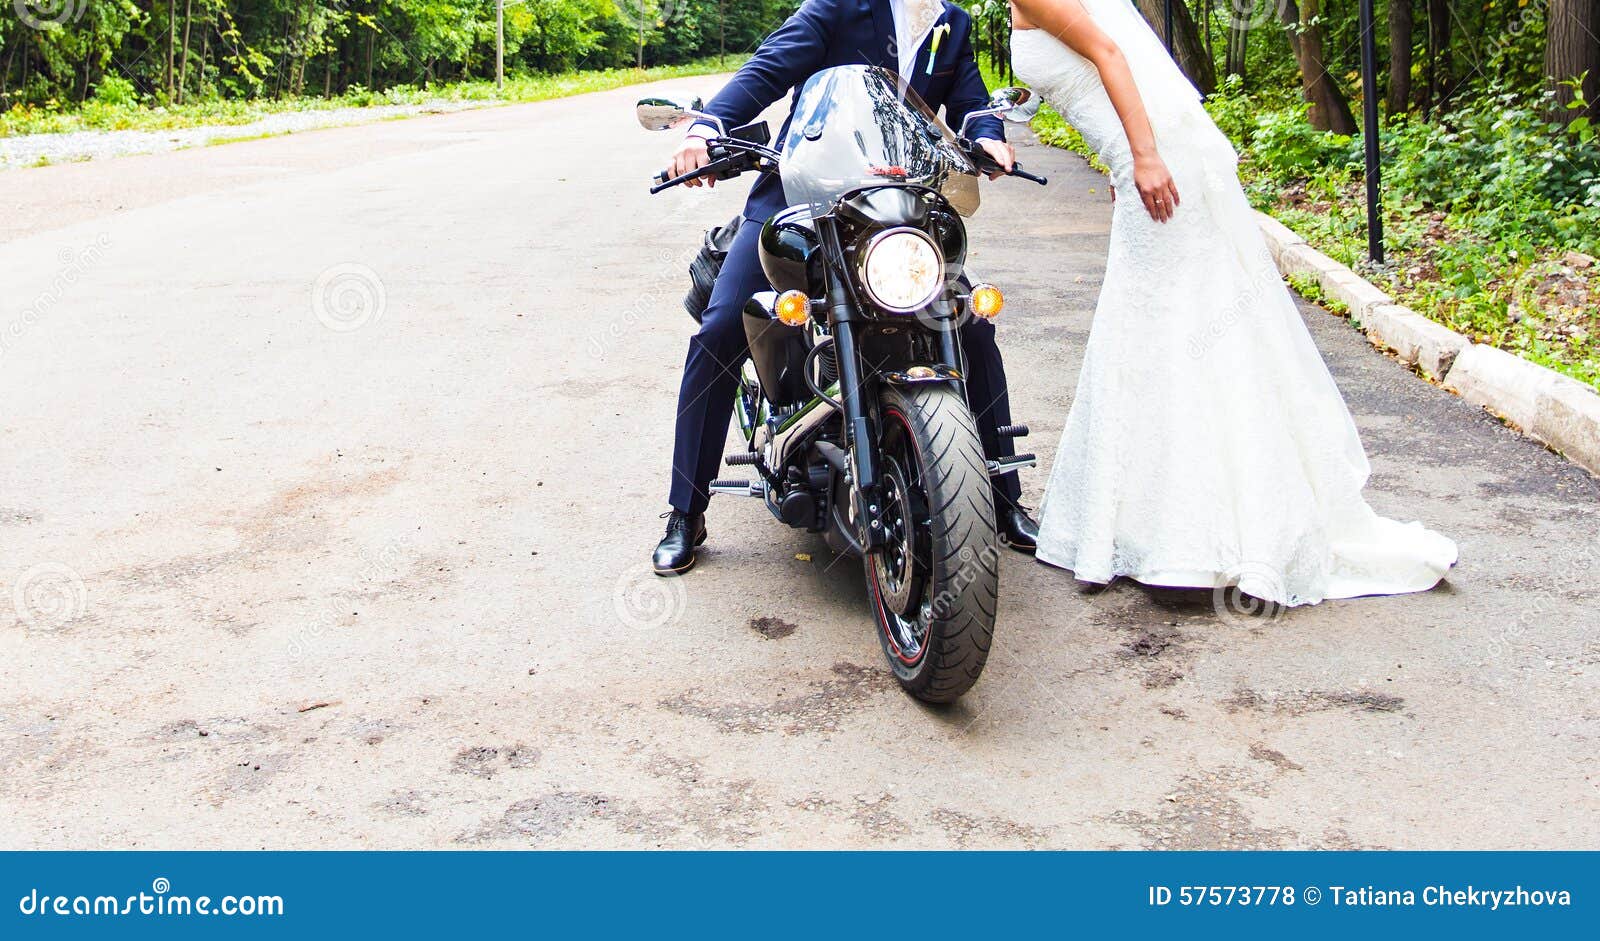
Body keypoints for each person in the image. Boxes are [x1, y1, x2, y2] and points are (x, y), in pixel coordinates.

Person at [1009, 0, 1457, 605]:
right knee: (1157, 323)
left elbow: (1110, 55)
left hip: (1158, 158)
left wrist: (1143, 157)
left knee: (1174, 324)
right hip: (1146, 155)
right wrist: (1127, 162)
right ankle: (1160, 526)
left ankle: (1201, 537)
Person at [653, 0, 1041, 576]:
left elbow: (973, 105)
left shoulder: (950, 24)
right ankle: (686, 509)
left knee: (970, 321)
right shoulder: (838, 6)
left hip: (899, 209)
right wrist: (709, 125)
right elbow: (768, 68)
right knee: (723, 325)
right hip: (801, 196)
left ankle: (1002, 498)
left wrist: (987, 137)